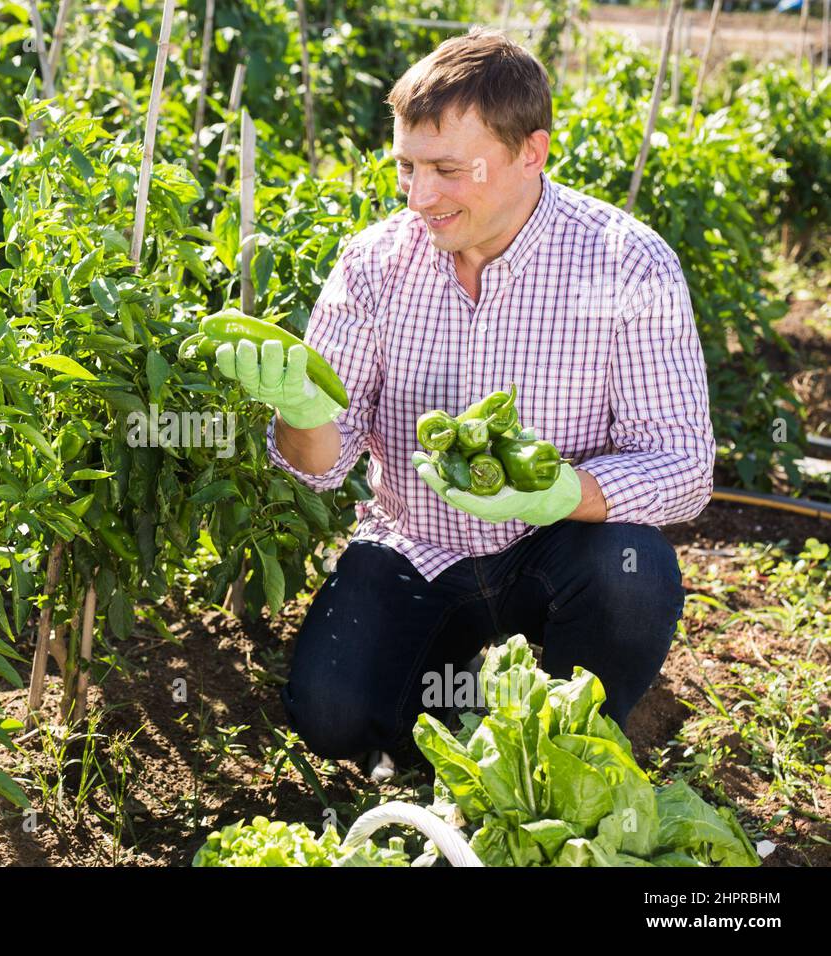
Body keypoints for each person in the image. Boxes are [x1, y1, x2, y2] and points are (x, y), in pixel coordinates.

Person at [211, 29, 714, 781]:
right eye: (407, 168)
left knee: (632, 575)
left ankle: (575, 734)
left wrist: (564, 491)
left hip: (556, 549)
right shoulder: (375, 264)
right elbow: (323, 466)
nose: (420, 197)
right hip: (417, 544)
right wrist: (302, 413)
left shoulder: (625, 262)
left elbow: (684, 463)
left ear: (531, 152)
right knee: (330, 714)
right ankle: (466, 700)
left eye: (448, 170)